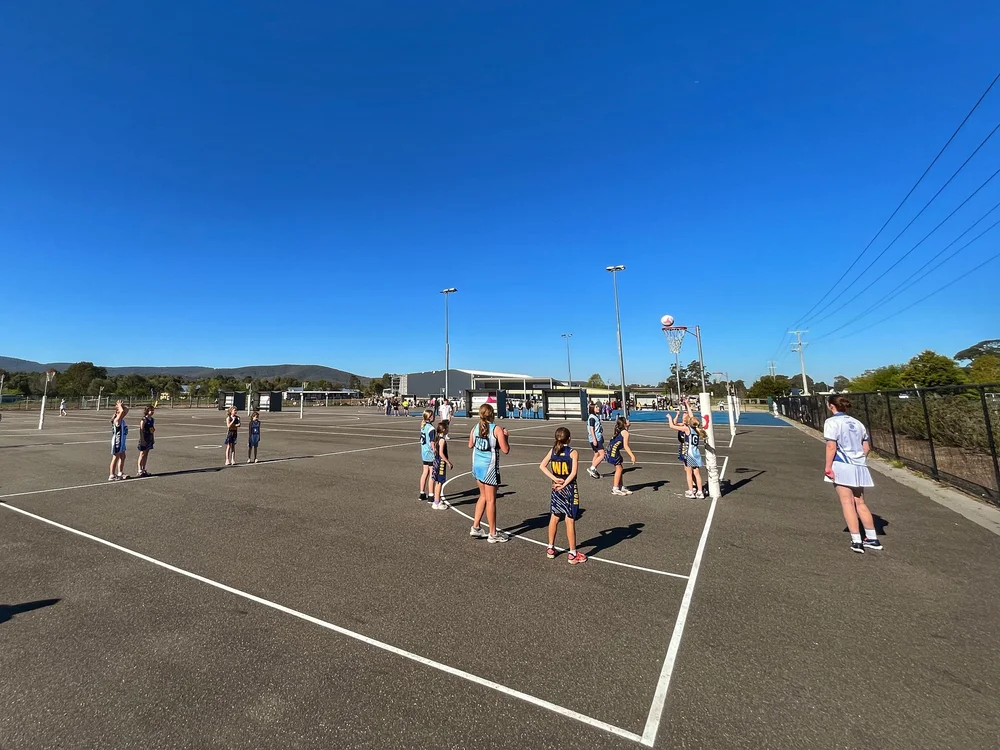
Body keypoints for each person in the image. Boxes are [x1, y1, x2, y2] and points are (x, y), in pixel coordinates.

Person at [824, 395, 882, 553]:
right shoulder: (858, 423)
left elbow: (831, 446)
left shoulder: (832, 422)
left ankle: (856, 540)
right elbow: (866, 447)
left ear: (831, 406)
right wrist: (859, 460)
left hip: (842, 465)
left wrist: (828, 467)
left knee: (847, 502)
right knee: (860, 503)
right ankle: (872, 538)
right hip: (859, 466)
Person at [538, 427, 587, 564]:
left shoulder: (553, 450)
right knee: (569, 520)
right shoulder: (572, 452)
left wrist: (554, 478)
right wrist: (564, 483)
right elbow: (573, 473)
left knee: (554, 517)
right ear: (569, 439)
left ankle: (550, 548)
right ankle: (572, 554)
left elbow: (542, 466)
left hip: (556, 488)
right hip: (569, 488)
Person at [468, 404, 511, 543]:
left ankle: (476, 527)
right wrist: (506, 437)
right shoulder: (496, 429)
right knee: (491, 500)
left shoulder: (475, 428)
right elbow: (505, 450)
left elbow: (470, 445)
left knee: (483, 496)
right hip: (489, 467)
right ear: (492, 414)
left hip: (477, 466)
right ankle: (493, 533)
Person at [668, 400, 707, 498]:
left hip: (689, 453)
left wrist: (669, 418)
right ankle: (700, 491)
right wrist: (687, 405)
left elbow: (672, 426)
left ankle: (691, 491)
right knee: (697, 474)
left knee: (689, 473)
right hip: (696, 453)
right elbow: (691, 415)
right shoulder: (697, 429)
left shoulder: (687, 429)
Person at [605, 416, 636, 496]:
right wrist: (632, 456)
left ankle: (620, 486)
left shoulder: (623, 431)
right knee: (619, 468)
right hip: (613, 451)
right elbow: (626, 446)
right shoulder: (625, 433)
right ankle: (615, 488)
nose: (629, 420)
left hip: (612, 449)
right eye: (627, 420)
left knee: (620, 468)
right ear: (625, 424)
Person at [431, 420, 453, 510]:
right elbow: (441, 453)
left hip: (436, 461)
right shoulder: (442, 440)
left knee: (438, 482)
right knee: (440, 482)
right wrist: (448, 462)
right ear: (444, 430)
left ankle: (437, 500)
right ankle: (436, 502)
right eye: (447, 428)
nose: (448, 430)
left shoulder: (437, 439)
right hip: (441, 462)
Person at [418, 408, 436, 501]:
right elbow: (432, 442)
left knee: (425, 472)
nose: (434, 416)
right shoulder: (431, 428)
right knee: (432, 473)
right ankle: (431, 494)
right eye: (432, 415)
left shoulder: (423, 426)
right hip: (430, 453)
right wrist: (435, 451)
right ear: (429, 417)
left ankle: (422, 493)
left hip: (424, 452)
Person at [108, 400, 129, 481]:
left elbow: (126, 410)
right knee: (115, 457)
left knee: (123, 456)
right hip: (117, 442)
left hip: (122, 442)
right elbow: (123, 411)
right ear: (117, 412)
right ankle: (112, 475)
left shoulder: (122, 420)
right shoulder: (117, 420)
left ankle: (120, 472)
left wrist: (121, 406)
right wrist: (119, 406)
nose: (124, 413)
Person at [586, 403, 604, 479]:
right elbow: (591, 429)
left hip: (596, 437)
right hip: (595, 438)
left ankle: (593, 470)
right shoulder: (592, 418)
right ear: (592, 408)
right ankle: (592, 468)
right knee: (602, 454)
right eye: (596, 407)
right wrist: (594, 439)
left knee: (596, 454)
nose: (598, 408)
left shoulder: (594, 417)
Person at [136, 404, 155, 477]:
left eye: (153, 410)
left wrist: (152, 438)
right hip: (144, 438)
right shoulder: (144, 419)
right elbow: (141, 430)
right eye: (151, 410)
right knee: (142, 454)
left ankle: (144, 469)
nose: (152, 412)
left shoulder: (152, 420)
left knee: (146, 454)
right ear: (147, 411)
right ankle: (139, 470)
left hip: (149, 438)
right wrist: (142, 439)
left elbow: (152, 430)